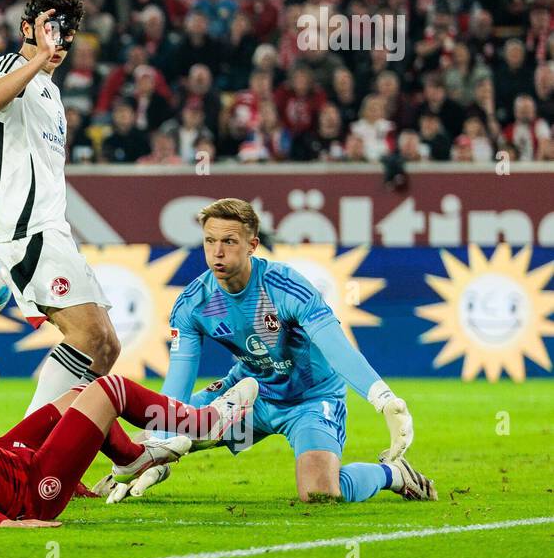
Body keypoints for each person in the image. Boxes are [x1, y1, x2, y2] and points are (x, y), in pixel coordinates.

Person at [103, 198, 436, 504]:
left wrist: (383, 398)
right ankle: (110, 476)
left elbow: (336, 347)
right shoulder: (193, 304)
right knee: (150, 432)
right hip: (248, 398)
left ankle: (392, 474)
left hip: (310, 400)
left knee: (320, 492)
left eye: (229, 242)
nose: (217, 252)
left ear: (252, 245)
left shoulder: (285, 287)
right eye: (210, 241)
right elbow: (176, 387)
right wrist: (156, 451)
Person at [0, 317, 258, 525]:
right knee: (110, 390)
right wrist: (5, 523)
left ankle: (130, 459)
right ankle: (200, 423)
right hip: (28, 489)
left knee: (75, 396)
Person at [0, 0, 121, 417]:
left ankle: (61, 458)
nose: (59, 42)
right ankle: (27, 453)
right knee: (87, 337)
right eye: (50, 29)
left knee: (106, 348)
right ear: (27, 28)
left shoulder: (52, 94)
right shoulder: (11, 64)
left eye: (66, 34)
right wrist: (36, 57)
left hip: (54, 230)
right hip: (27, 228)